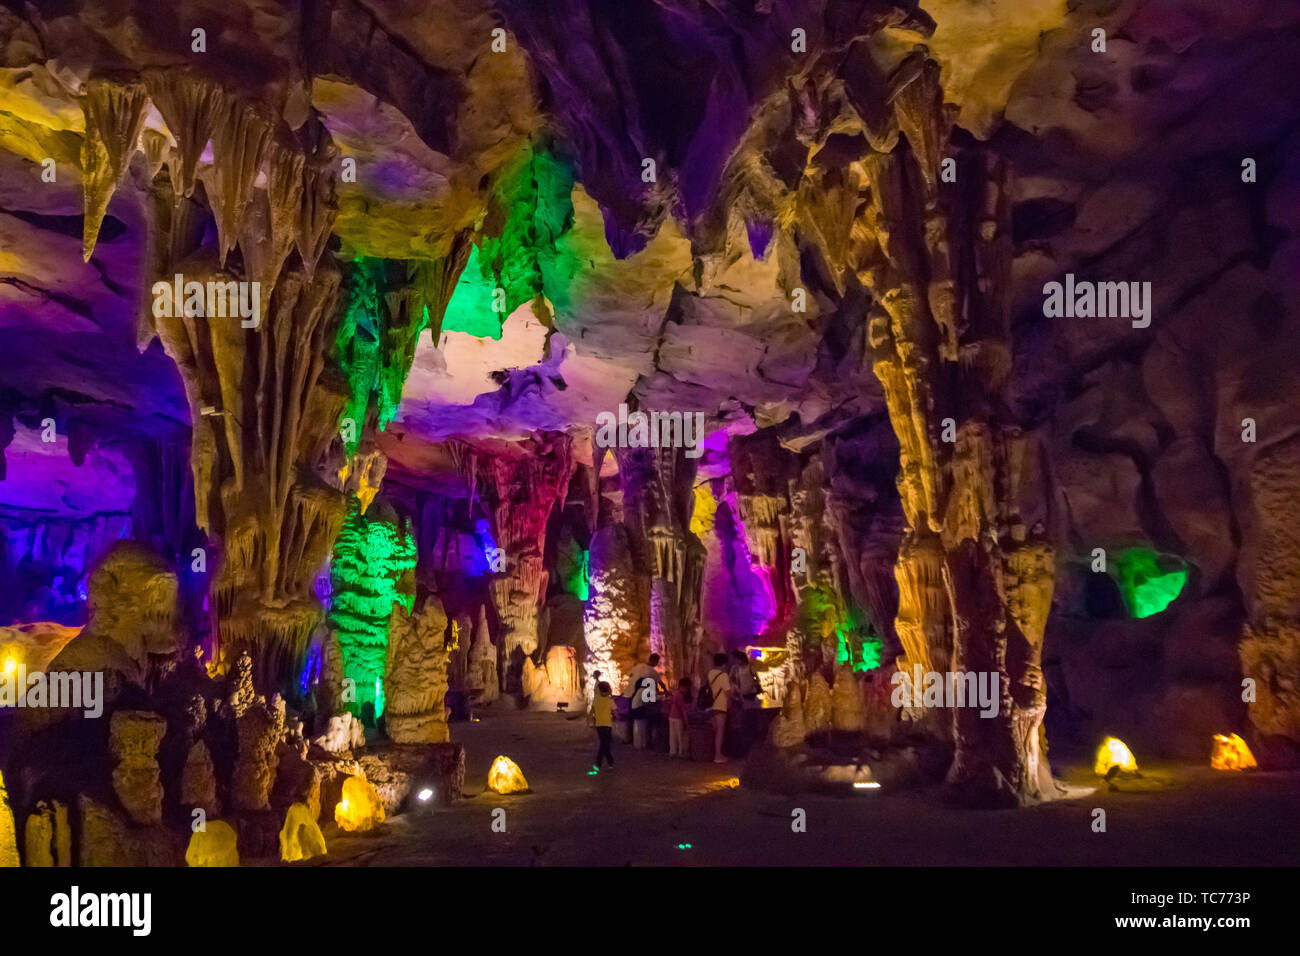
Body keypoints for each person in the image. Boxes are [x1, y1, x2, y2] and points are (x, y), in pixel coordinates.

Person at [626, 653, 665, 750]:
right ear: (655, 661)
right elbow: (660, 685)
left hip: (631, 696)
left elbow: (630, 676)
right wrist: (665, 693)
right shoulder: (652, 672)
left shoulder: (638, 667)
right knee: (645, 723)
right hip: (639, 707)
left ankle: (634, 741)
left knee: (635, 722)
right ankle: (644, 743)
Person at [730, 649, 762, 752]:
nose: (736, 661)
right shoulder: (737, 669)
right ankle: (747, 745)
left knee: (750, 718)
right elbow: (735, 679)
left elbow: (756, 679)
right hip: (743, 697)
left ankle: (752, 743)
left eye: (737, 659)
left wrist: (752, 687)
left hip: (751, 697)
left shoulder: (750, 667)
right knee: (745, 719)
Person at [704, 654, 732, 763]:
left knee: (714, 731)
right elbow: (728, 691)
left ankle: (711, 753)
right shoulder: (723, 675)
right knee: (720, 731)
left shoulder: (710, 673)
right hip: (720, 705)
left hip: (710, 705)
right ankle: (718, 755)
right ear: (724, 664)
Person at [590, 681, 615, 771]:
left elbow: (592, 711)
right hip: (607, 725)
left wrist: (590, 721)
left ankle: (610, 762)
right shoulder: (610, 700)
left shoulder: (596, 699)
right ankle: (598, 764)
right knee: (604, 744)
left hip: (599, 725)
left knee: (605, 744)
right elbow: (615, 711)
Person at [668, 677, 692, 758]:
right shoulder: (680, 696)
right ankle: (681, 752)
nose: (687, 690)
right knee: (680, 736)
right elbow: (683, 710)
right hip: (678, 718)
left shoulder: (675, 693)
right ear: (684, 687)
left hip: (671, 717)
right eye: (687, 688)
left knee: (672, 736)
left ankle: (673, 751)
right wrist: (686, 722)